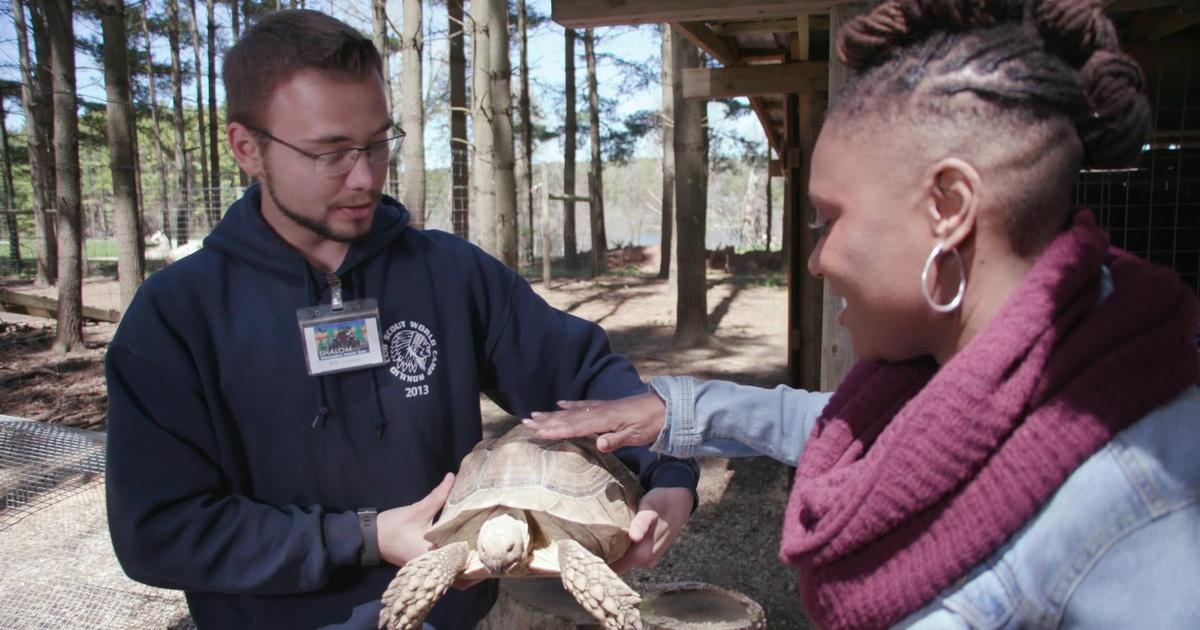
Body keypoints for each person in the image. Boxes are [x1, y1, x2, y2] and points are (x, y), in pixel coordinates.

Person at [527, 0, 1200, 628]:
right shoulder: (1015, 365)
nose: (818, 261)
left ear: (948, 207)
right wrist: (678, 412)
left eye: (830, 221)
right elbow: (876, 433)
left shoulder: (1148, 513)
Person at [103, 10, 698, 630]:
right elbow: (160, 531)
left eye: (379, 142)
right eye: (330, 153)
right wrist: (366, 537)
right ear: (247, 148)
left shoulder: (450, 274)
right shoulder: (177, 316)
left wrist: (671, 471)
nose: (364, 177)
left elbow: (584, 378)